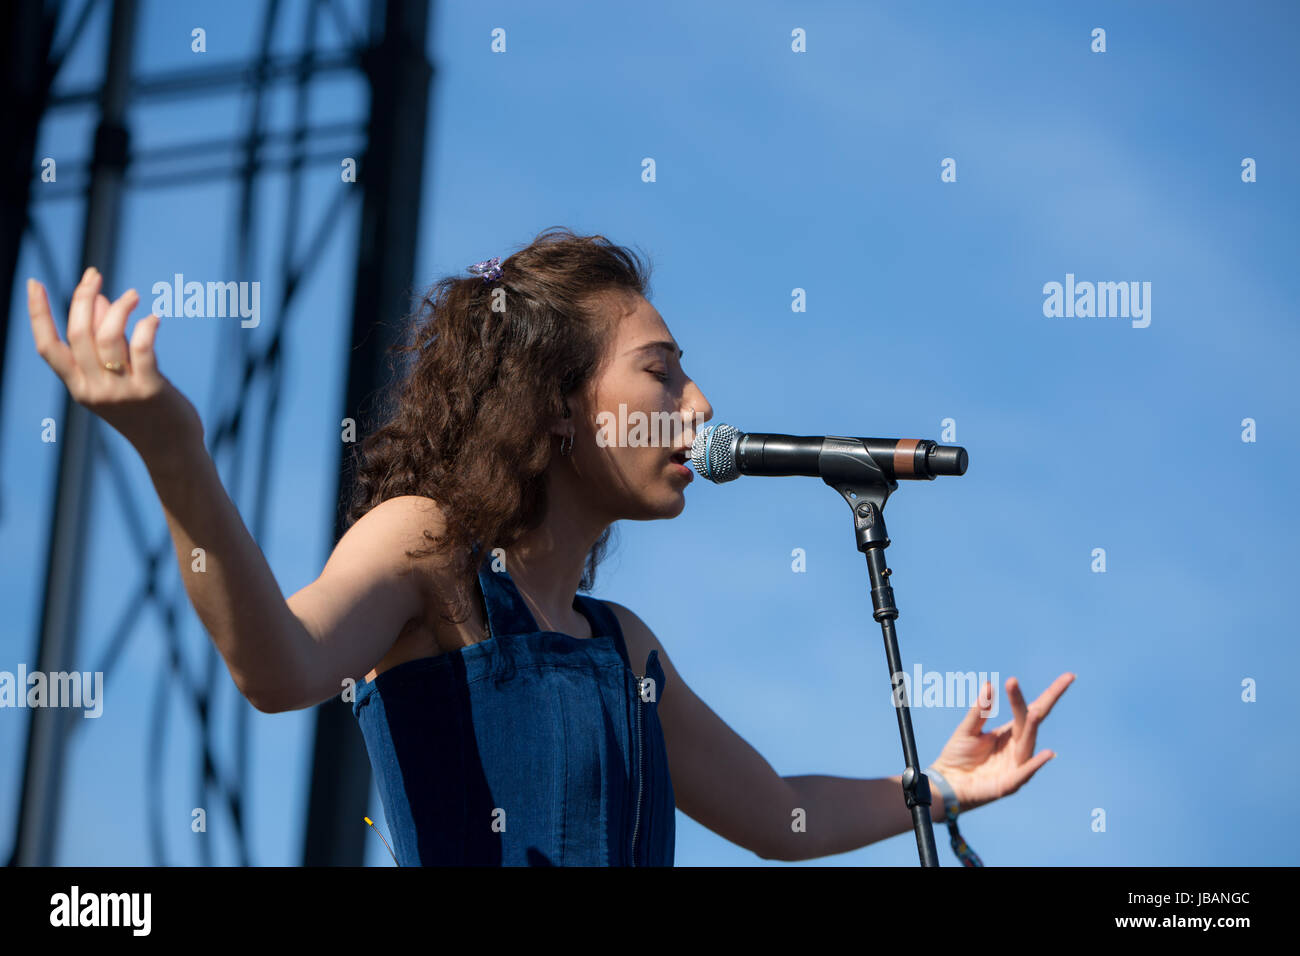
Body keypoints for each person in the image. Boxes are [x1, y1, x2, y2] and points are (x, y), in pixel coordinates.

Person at [27, 227, 1074, 866]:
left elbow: (778, 814)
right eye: (662, 372)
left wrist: (938, 787)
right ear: (560, 405)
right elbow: (275, 665)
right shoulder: (424, 547)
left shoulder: (625, 646)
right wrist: (176, 453)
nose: (701, 404)